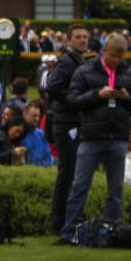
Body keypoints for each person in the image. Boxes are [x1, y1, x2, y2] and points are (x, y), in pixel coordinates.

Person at [59, 32, 131, 241]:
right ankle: (70, 232)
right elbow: (73, 99)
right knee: (80, 186)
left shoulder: (129, 75)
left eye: (120, 56)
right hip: (91, 136)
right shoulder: (85, 71)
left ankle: (111, 232)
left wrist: (127, 98)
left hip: (117, 137)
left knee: (115, 190)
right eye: (113, 56)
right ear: (104, 51)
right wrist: (98, 95)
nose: (116, 61)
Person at [45, 23, 90, 235]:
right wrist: (74, 100)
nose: (83, 40)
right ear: (69, 41)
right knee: (68, 172)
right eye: (78, 37)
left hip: (72, 121)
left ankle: (69, 219)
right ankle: (61, 222)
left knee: (72, 173)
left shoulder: (79, 61)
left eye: (85, 37)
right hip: (66, 122)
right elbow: (53, 85)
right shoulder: (67, 61)